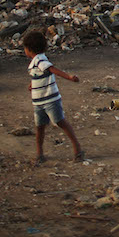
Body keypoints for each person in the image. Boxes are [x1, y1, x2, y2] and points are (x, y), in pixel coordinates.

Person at [22, 29, 83, 165]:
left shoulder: (40, 60)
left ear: (29, 49)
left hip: (49, 99)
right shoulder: (35, 63)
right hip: (39, 101)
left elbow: (51, 69)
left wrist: (69, 77)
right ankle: (40, 153)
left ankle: (77, 149)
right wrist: (32, 84)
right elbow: (39, 74)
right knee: (40, 127)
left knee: (59, 123)